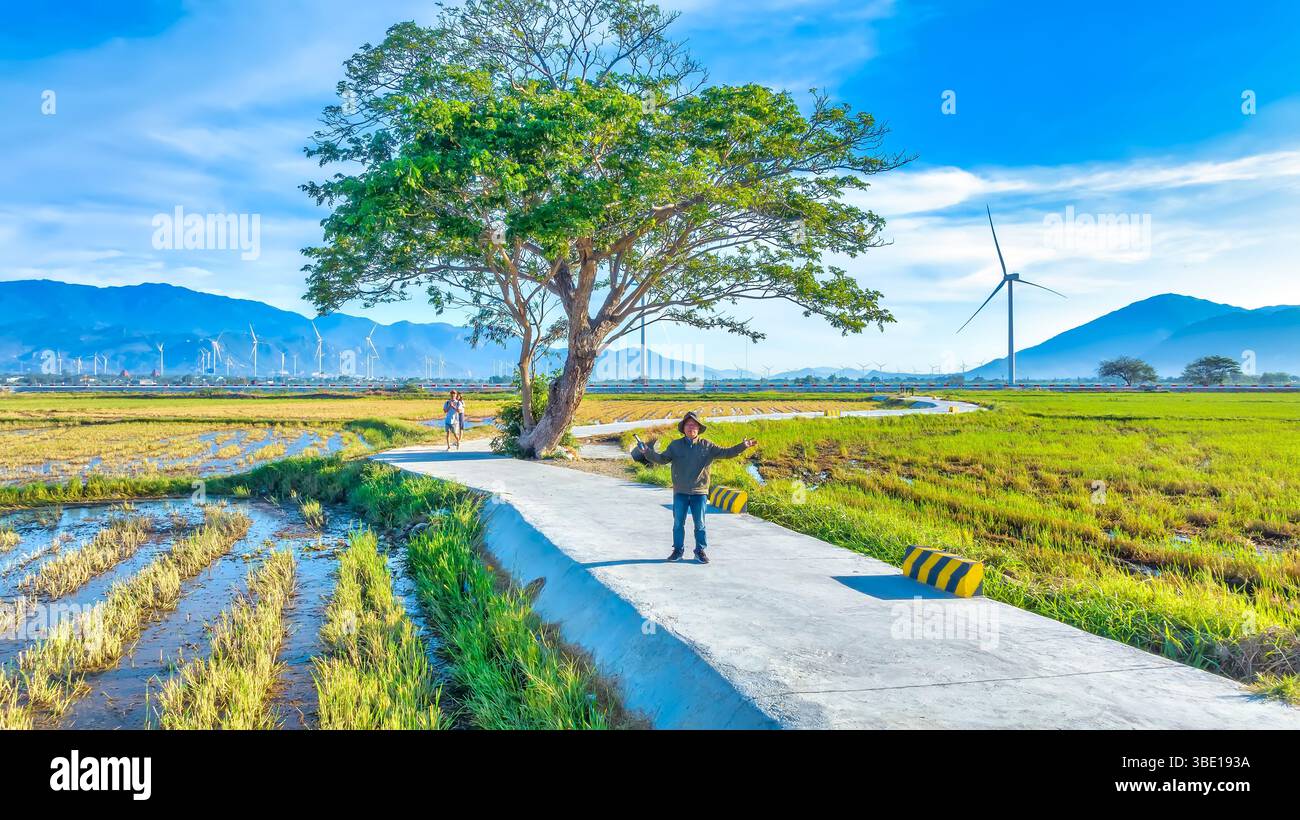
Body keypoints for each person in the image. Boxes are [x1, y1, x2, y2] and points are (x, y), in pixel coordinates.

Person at [638, 411, 757, 564]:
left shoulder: (707, 446)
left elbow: (726, 453)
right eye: (688, 425)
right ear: (684, 428)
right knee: (678, 523)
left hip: (699, 492)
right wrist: (647, 452)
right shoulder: (675, 446)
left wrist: (743, 446)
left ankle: (700, 550)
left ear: (699, 429)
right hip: (680, 491)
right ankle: (678, 550)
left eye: (694, 425)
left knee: (700, 524)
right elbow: (661, 459)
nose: (691, 427)